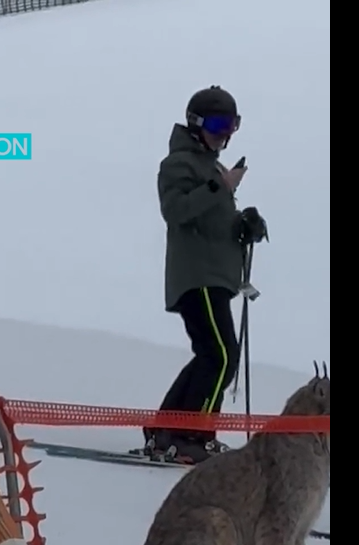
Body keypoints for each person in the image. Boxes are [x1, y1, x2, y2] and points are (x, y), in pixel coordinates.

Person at [147, 86, 268, 465]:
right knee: (221, 354)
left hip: (214, 276)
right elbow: (176, 211)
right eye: (218, 124)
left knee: (211, 354)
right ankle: (191, 436)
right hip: (197, 276)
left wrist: (243, 225)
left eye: (232, 125)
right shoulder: (179, 164)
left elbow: (211, 221)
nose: (226, 133)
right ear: (196, 123)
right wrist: (222, 186)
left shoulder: (210, 166)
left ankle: (165, 430)